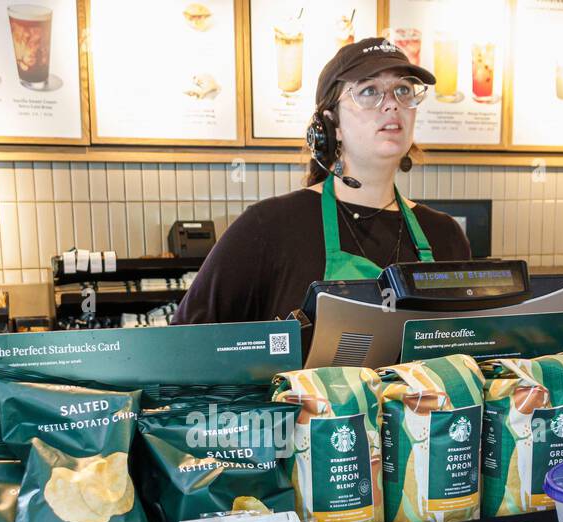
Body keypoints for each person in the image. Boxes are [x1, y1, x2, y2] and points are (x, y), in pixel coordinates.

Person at [175, 37, 472, 327]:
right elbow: (186, 339)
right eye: (369, 91)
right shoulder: (270, 227)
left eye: (403, 89)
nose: (392, 104)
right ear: (332, 124)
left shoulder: (445, 235)